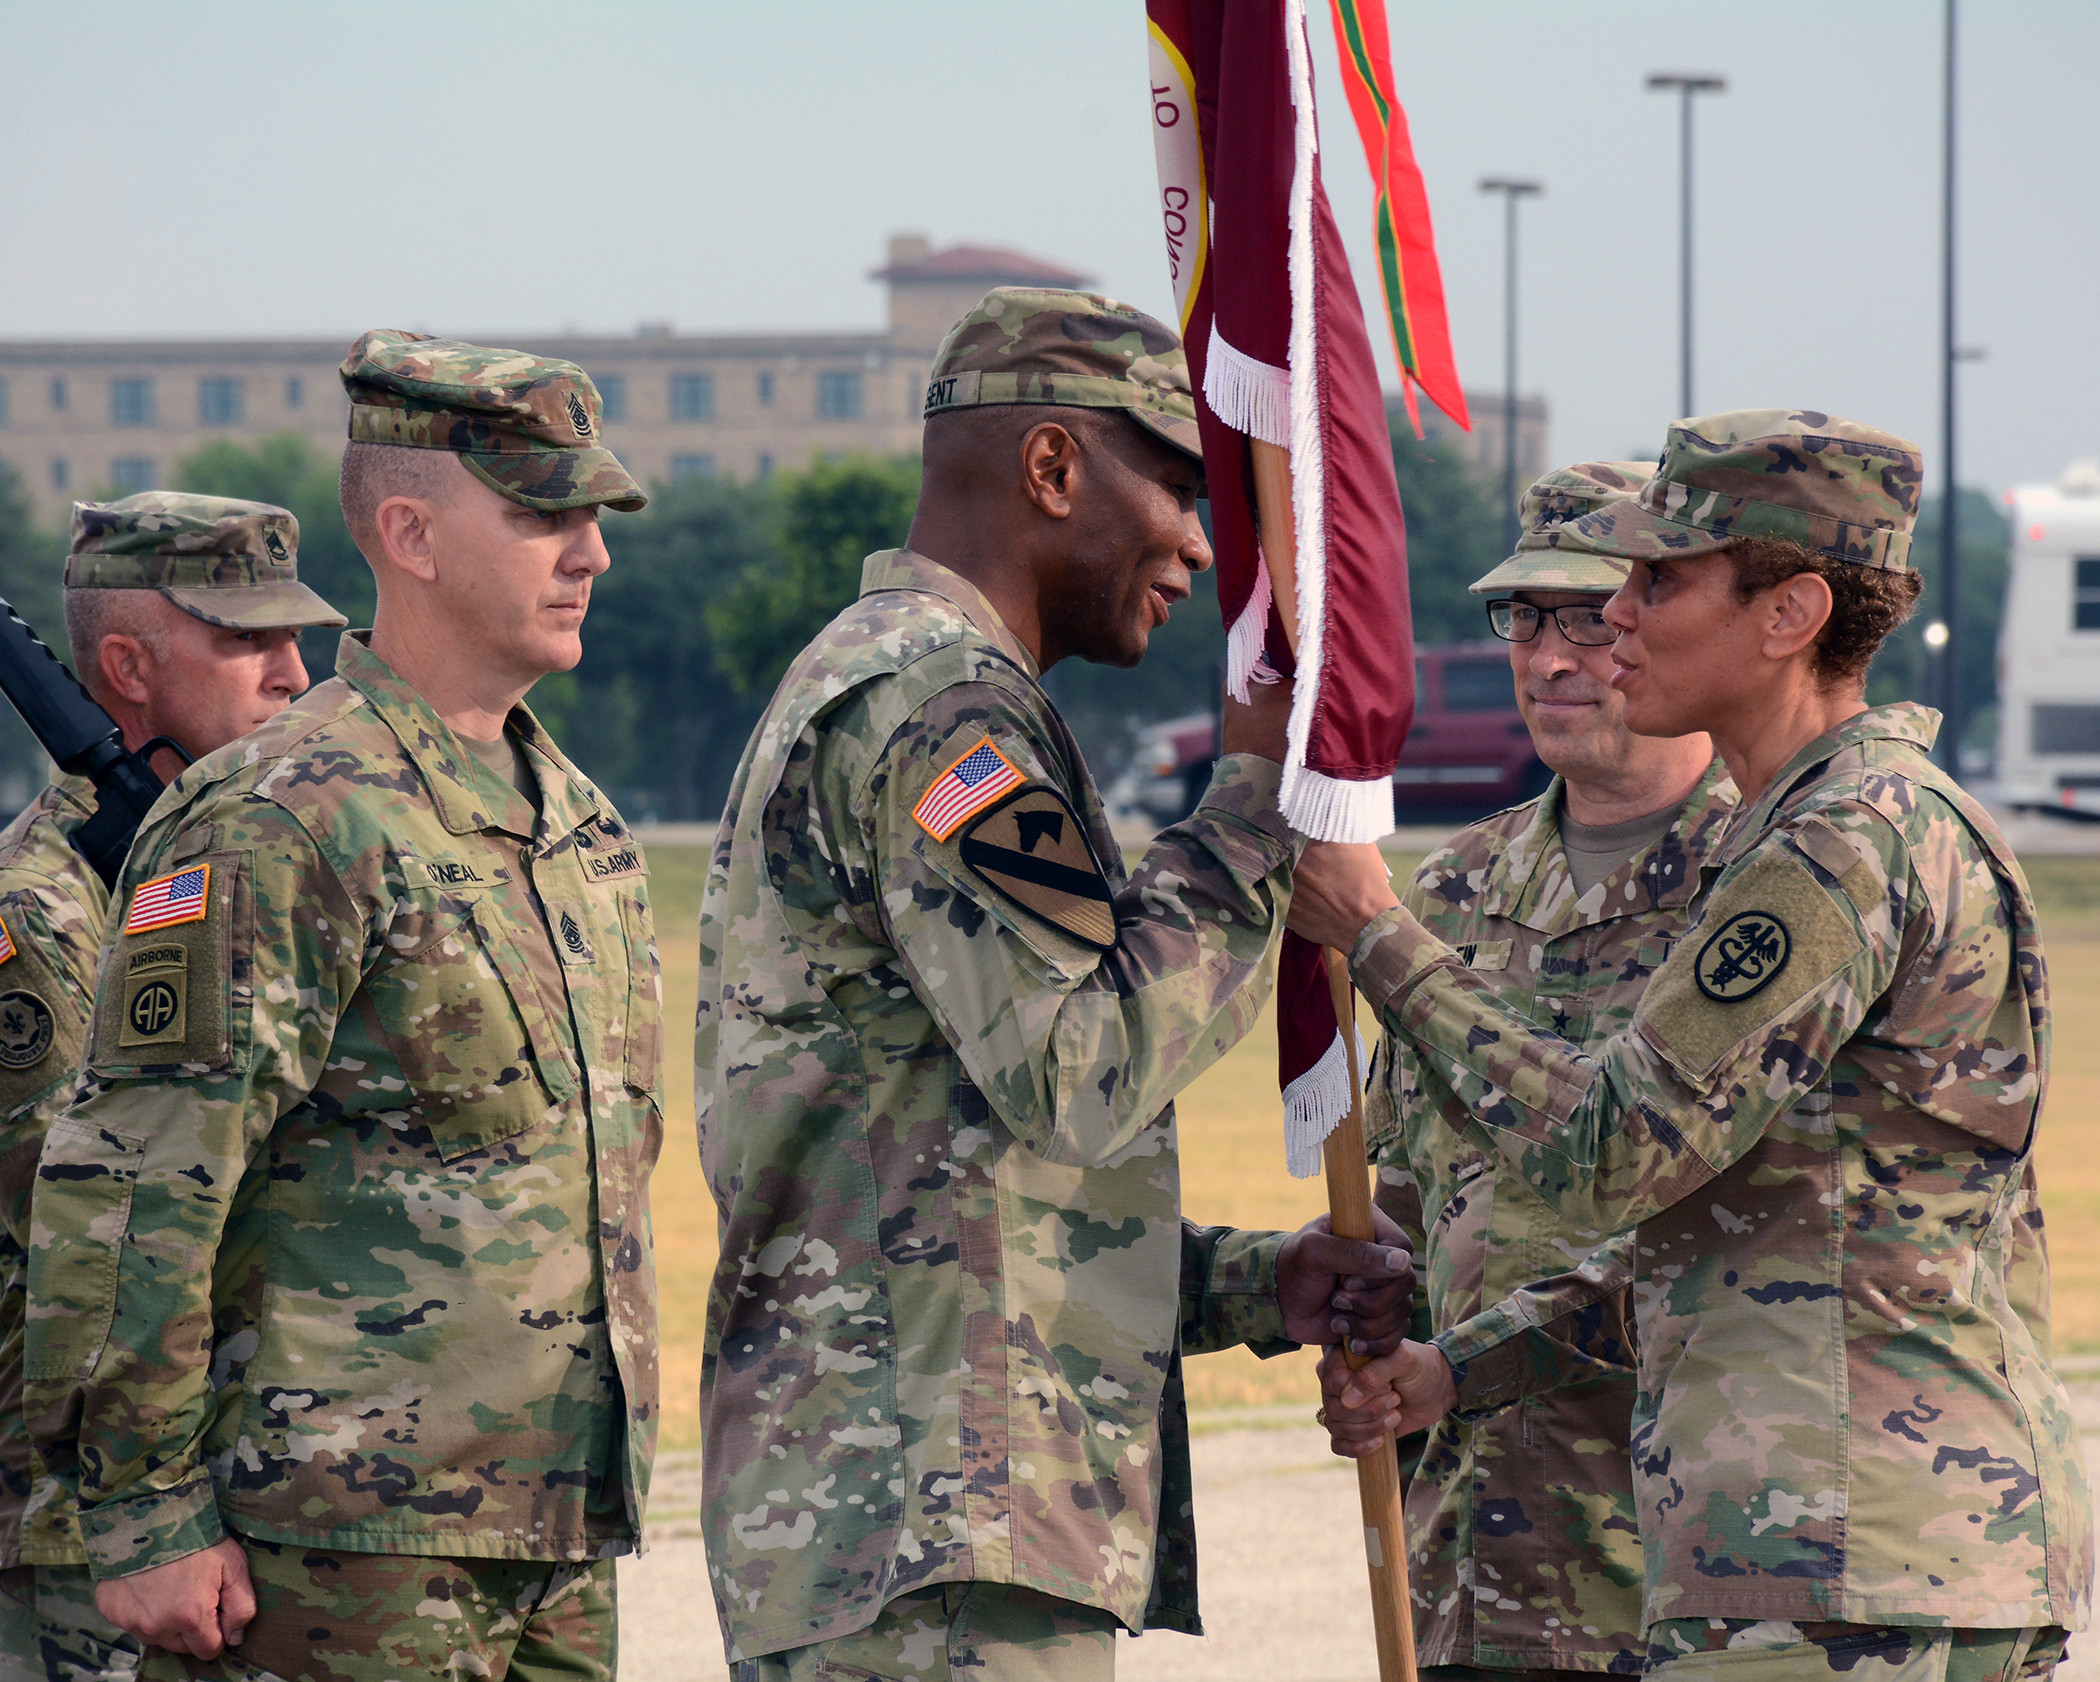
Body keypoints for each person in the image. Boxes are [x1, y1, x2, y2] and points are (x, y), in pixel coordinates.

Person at [1298, 411, 2093, 1680]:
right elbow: (1718, 1229)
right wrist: (1457, 1364)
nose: (1609, 623)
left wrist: (1379, 939)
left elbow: (1606, 1155)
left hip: (1842, 1560)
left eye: (1655, 581)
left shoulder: (1841, 842)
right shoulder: (1821, 829)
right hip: (1823, 1556)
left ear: (1788, 614)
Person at [696, 286, 1415, 1682]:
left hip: (894, 1522)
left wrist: (1264, 1286)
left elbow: (961, 1187)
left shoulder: (905, 687)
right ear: (1051, 469)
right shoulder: (940, 710)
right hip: (932, 1539)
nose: (1207, 548)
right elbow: (1080, 1069)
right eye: (1179, 484)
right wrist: (1253, 811)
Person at [24, 331, 662, 1682]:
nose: (589, 552)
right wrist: (140, 1511)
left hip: (551, 1532)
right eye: (545, 514)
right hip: (330, 1548)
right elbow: (138, 1172)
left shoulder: (582, 829)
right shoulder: (279, 816)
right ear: (410, 534)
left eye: (594, 517)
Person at [1344, 461, 1737, 1680]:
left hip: (1680, 1577)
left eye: (1585, 613)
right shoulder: (1454, 888)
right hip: (1467, 1569)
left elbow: (1705, 1239)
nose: (1549, 656)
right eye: (1524, 616)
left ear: (1660, 623)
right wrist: (1348, 1315)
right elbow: (1402, 1189)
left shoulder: (1766, 878)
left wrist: (1455, 1367)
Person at [0, 493, 343, 1682]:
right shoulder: (43, 916)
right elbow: (91, 1220)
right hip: (75, 1536)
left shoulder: (228, 862)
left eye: (295, 637)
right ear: (128, 667)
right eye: (249, 639)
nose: (293, 672)